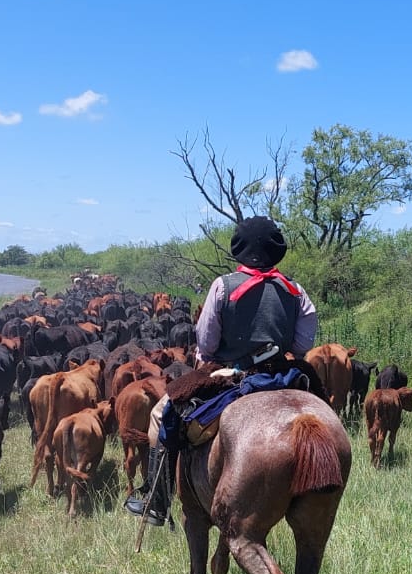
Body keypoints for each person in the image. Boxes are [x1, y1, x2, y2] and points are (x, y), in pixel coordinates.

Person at [124, 216, 318, 525]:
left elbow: (207, 342)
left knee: (162, 413)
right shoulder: (295, 290)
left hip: (232, 374)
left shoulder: (222, 286)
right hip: (281, 373)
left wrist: (215, 360)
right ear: (276, 251)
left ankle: (157, 501)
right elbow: (303, 341)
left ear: (239, 249)